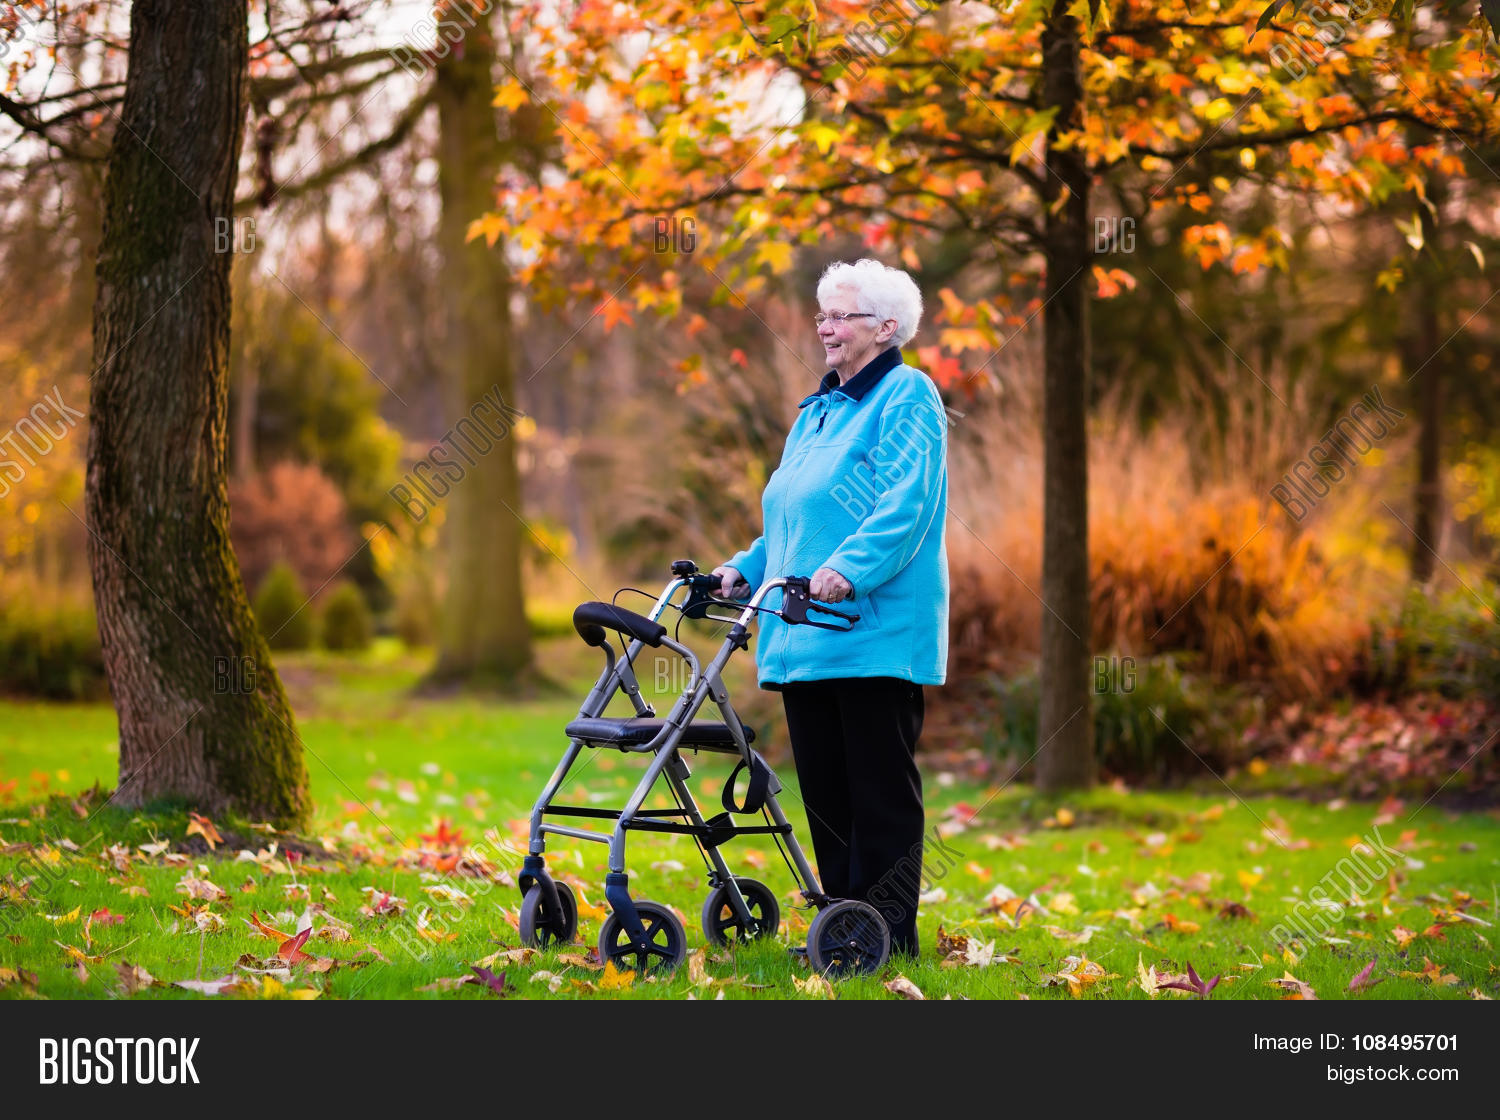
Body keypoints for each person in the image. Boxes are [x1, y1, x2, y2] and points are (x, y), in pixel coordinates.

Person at [712, 257, 949, 959]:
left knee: (878, 796)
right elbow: (791, 527)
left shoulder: (907, 396)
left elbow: (906, 503)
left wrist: (848, 569)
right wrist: (742, 570)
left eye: (841, 315)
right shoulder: (816, 414)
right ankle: (844, 932)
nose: (825, 327)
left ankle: (888, 939)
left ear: (886, 327)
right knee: (827, 798)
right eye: (822, 315)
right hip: (804, 632)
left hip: (873, 633)